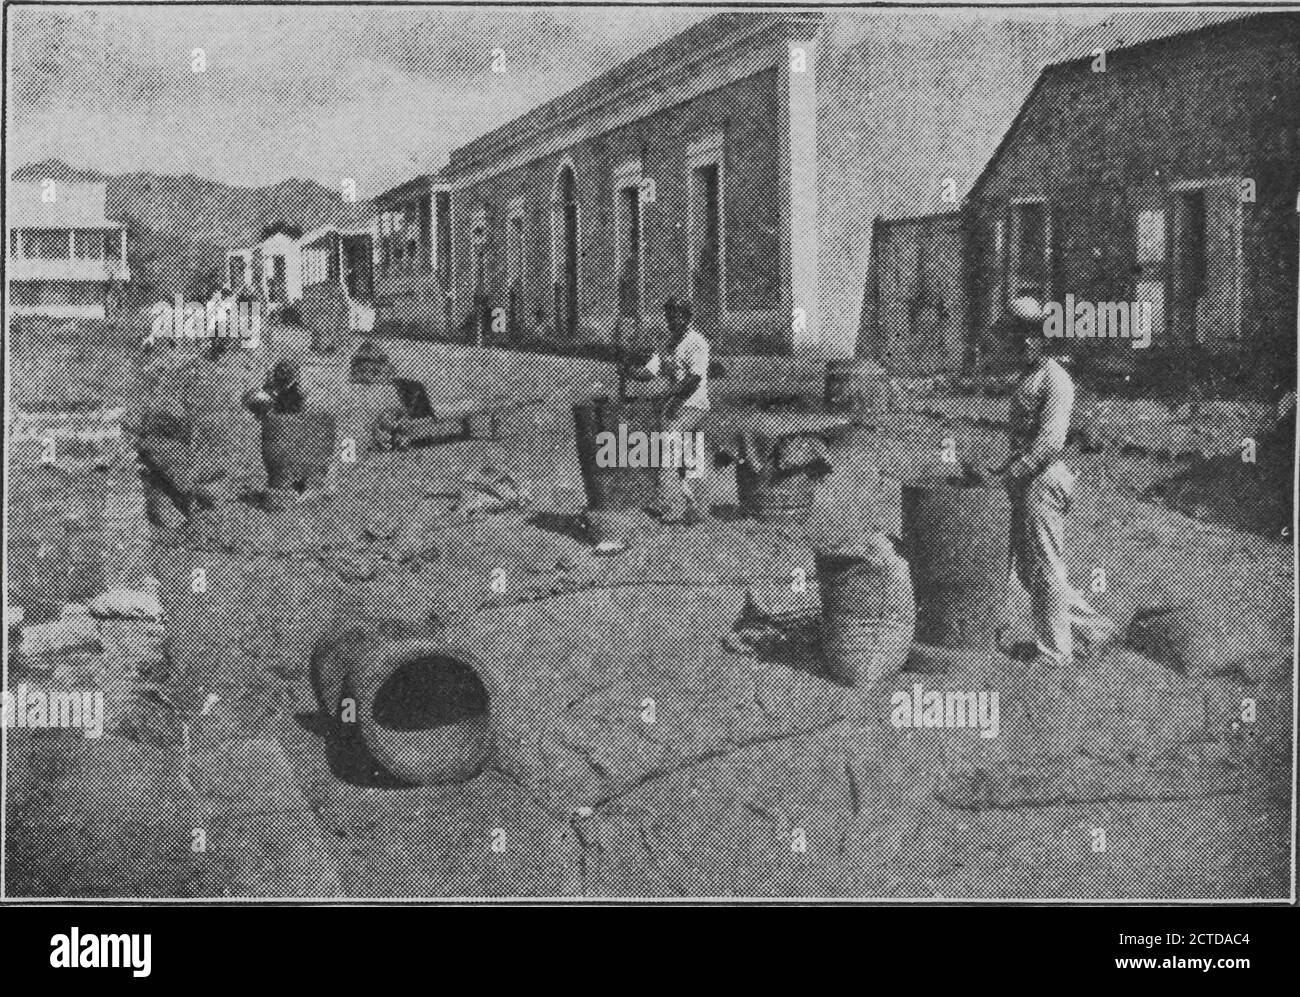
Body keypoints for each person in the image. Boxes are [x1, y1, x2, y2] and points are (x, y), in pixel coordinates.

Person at [990, 302, 1112, 667]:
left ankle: (1056, 651)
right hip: (1027, 479)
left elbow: (1051, 442)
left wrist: (1017, 469)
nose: (1019, 346)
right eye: (1015, 339)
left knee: (1046, 565)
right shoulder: (1029, 376)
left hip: (1045, 480)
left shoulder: (1056, 379)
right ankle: (1095, 629)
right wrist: (1004, 469)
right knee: (1030, 570)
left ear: (1039, 339)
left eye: (1025, 338)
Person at [640, 296, 711, 524]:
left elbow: (693, 379)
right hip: (677, 405)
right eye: (669, 317)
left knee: (669, 446)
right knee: (688, 458)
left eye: (678, 316)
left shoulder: (696, 342)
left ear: (687, 318)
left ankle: (667, 503)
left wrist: (667, 396)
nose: (672, 321)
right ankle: (693, 506)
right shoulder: (670, 344)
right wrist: (630, 371)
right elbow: (652, 369)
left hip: (694, 405)